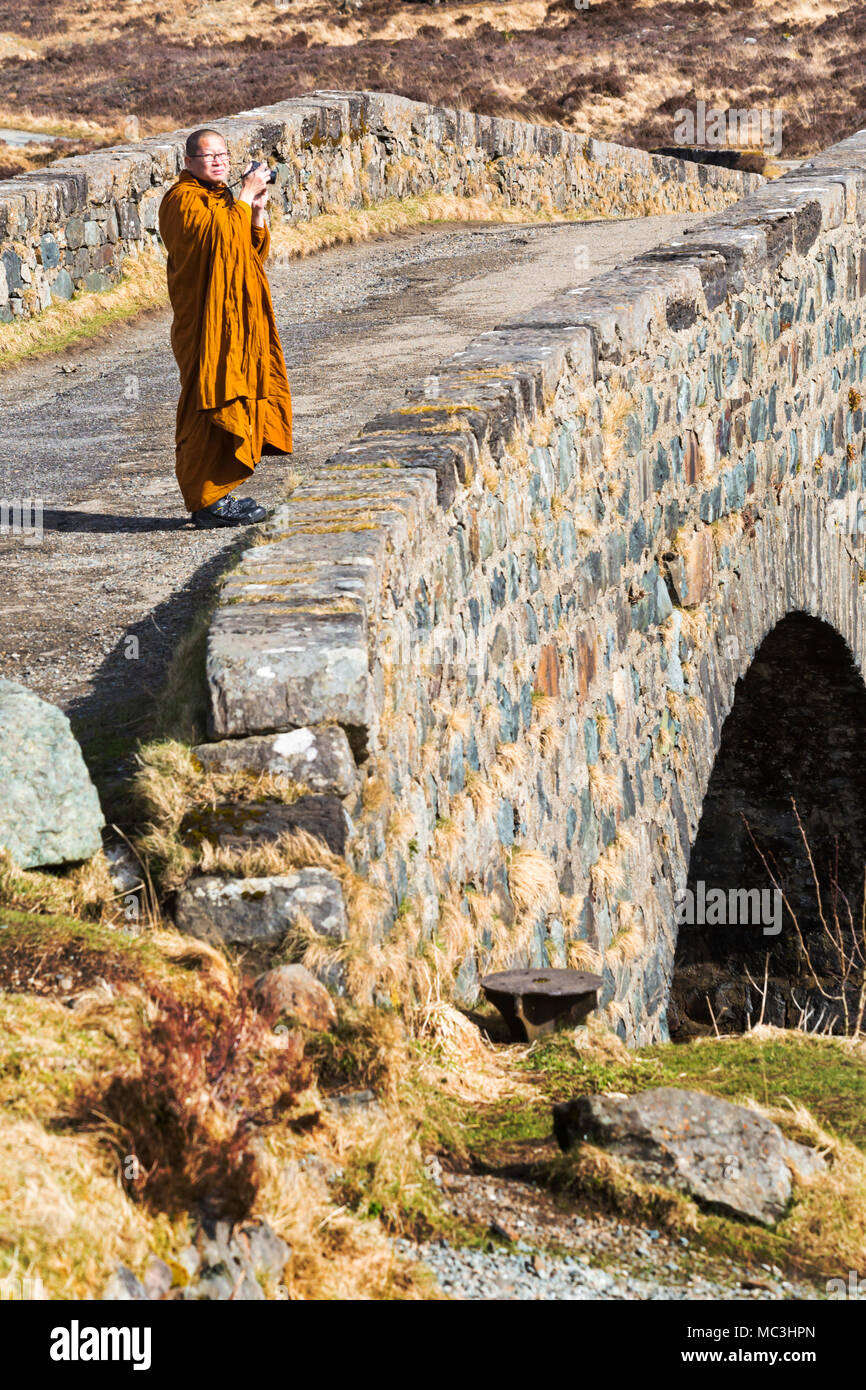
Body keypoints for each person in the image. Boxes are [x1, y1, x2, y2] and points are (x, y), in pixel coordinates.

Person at [158, 128, 293, 527]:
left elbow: (247, 254)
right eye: (207, 156)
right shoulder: (181, 201)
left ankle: (221, 492)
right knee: (207, 401)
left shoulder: (220, 198)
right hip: (205, 321)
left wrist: (256, 212)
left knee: (234, 392)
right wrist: (244, 197)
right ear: (188, 162)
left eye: (223, 155)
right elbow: (216, 238)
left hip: (236, 319)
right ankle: (206, 501)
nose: (217, 162)